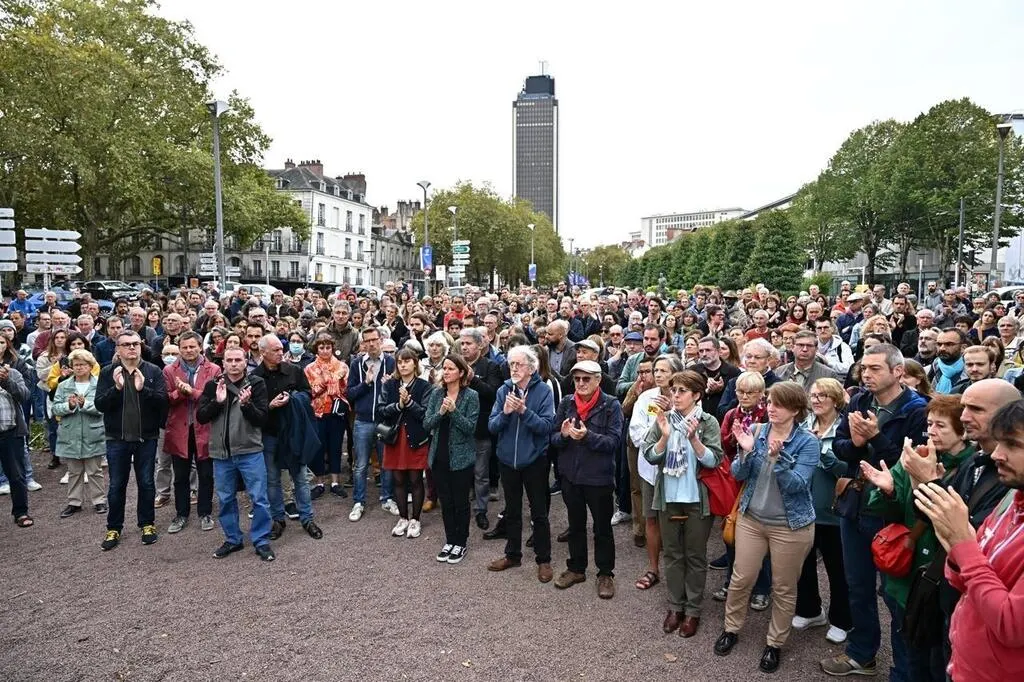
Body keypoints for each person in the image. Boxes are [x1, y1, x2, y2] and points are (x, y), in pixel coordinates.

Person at [821, 343, 927, 678]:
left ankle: (905, 671)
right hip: (855, 507)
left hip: (892, 515)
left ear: (897, 371)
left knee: (896, 597)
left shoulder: (917, 410)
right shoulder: (859, 400)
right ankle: (862, 654)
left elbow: (911, 467)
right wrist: (855, 443)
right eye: (864, 368)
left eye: (875, 368)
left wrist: (876, 437)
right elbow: (841, 450)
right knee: (858, 586)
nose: (866, 374)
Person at [860, 394, 976, 682]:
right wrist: (887, 490)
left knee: (939, 658)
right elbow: (892, 509)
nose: (932, 431)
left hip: (942, 581)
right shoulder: (916, 455)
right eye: (929, 424)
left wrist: (926, 483)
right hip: (906, 576)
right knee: (908, 647)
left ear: (962, 431)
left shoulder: (974, 468)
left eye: (941, 426)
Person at [913, 398, 1024, 682]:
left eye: (1013, 445)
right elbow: (960, 576)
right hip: (965, 664)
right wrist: (960, 548)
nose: (997, 454)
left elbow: (1011, 625)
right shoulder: (1012, 501)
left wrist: (963, 544)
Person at [714, 382, 819, 674]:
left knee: (783, 588)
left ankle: (774, 644)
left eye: (779, 404)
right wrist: (747, 452)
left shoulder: (807, 442)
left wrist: (777, 458)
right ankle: (731, 628)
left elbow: (799, 485)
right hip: (751, 519)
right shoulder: (758, 431)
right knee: (741, 578)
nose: (771, 407)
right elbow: (737, 473)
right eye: (770, 402)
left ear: (796, 410)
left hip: (791, 526)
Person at [641, 370, 723, 634]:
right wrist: (665, 436)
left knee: (696, 556)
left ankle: (693, 611)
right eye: (673, 390)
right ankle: (676, 606)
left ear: (697, 395)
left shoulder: (708, 421)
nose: (675, 395)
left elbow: (714, 460)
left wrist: (694, 440)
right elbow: (650, 455)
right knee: (674, 554)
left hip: (697, 500)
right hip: (669, 498)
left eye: (682, 391)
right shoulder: (663, 418)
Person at [550, 360, 623, 599]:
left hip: (599, 478)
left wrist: (587, 437)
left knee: (602, 528)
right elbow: (553, 440)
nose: (580, 384)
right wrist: (562, 435)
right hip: (571, 476)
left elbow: (613, 443)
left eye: (586, 379)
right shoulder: (566, 403)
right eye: (577, 379)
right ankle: (576, 568)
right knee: (575, 524)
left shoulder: (611, 405)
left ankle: (605, 573)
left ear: (598, 380)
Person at [196, 346, 276, 561]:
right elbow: (201, 417)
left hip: (249, 450)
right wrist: (217, 402)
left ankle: (261, 540)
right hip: (221, 453)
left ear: (245, 361)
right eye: (229, 360)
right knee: (225, 498)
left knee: (259, 497)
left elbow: (262, 419)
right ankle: (233, 539)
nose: (233, 364)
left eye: (237, 360)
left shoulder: (257, 384)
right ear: (223, 363)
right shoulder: (213, 385)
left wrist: (247, 405)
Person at [486, 345, 556, 583]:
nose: (513, 368)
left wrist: (524, 412)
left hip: (534, 460)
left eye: (519, 364)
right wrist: (505, 413)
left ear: (532, 368)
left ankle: (543, 559)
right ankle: (512, 554)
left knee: (539, 512)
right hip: (507, 460)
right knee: (512, 511)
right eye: (511, 364)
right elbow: (492, 426)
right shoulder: (503, 389)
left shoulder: (544, 391)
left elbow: (547, 427)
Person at [95, 330, 169, 551]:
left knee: (146, 482)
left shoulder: (153, 371)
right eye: (126, 344)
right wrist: (116, 389)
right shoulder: (108, 372)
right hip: (117, 437)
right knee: (117, 484)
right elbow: (100, 404)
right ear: (118, 349)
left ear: (141, 346)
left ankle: (147, 524)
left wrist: (142, 389)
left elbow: (162, 402)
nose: (131, 348)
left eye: (135, 344)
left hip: (146, 436)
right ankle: (114, 527)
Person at [793, 378, 853, 645]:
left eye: (823, 395)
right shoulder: (804, 426)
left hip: (833, 513)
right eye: (814, 395)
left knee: (838, 569)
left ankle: (842, 619)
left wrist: (823, 454)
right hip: (804, 509)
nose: (816, 400)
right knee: (802, 564)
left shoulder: (847, 428)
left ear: (836, 400)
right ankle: (810, 610)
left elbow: (849, 469)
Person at [251, 334, 322, 540]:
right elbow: (252, 408)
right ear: (263, 352)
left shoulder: (294, 370)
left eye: (281, 349)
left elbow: (308, 394)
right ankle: (278, 520)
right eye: (275, 350)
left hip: (293, 433)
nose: (281, 353)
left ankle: (307, 519)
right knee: (273, 481)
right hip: (270, 434)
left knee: (300, 477)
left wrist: (293, 399)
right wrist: (270, 406)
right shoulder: (255, 376)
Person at [628, 354, 685, 591]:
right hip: (650, 469)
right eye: (656, 370)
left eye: (663, 370)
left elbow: (691, 435)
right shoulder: (645, 398)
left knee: (675, 520)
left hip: (677, 470)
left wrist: (674, 411)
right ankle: (653, 568)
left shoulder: (688, 397)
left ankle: (679, 569)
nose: (658, 374)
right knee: (651, 519)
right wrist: (660, 424)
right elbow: (637, 435)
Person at [422, 354, 479, 564]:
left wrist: (453, 412)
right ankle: (450, 540)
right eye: (444, 368)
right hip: (439, 457)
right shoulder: (437, 394)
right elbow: (427, 424)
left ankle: (461, 542)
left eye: (450, 369)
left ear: (461, 372)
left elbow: (470, 429)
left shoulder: (471, 396)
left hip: (461, 459)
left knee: (460, 502)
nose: (446, 372)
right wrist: (441, 412)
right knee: (446, 502)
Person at [162, 331, 220, 534]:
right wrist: (179, 392)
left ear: (200, 347)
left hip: (205, 428)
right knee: (180, 476)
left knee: (206, 474)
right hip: (180, 429)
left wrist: (191, 392)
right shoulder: (169, 370)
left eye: (192, 346)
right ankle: (181, 513)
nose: (188, 350)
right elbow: (166, 399)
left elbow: (213, 399)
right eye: (184, 347)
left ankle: (205, 512)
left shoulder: (213, 369)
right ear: (179, 349)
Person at [378, 348, 433, 538]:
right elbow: (381, 410)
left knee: (416, 479)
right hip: (394, 438)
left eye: (407, 361)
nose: (402, 365)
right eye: (399, 362)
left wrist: (409, 403)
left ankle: (415, 520)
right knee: (398, 479)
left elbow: (426, 414)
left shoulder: (425, 386)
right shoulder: (390, 385)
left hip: (416, 438)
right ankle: (403, 517)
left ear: (415, 363)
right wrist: (398, 406)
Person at [347, 326, 397, 521]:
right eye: (367, 341)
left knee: (386, 462)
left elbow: (399, 391)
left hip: (385, 420)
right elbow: (350, 394)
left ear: (381, 340)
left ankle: (387, 498)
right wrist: (366, 383)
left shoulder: (392, 362)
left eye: (374, 339)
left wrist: (389, 385)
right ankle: (358, 502)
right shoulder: (356, 364)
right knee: (360, 464)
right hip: (363, 421)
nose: (371, 344)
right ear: (363, 343)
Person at [51, 348, 107, 518]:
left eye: (83, 364)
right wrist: (68, 406)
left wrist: (85, 404)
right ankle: (74, 502)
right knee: (74, 471)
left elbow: (103, 408)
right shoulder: (63, 385)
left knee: (94, 470)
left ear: (90, 366)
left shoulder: (99, 384)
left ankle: (99, 501)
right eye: (76, 365)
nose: (79, 368)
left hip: (93, 434)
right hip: (71, 434)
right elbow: (55, 408)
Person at [459, 327, 502, 530]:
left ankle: (481, 510)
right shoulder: (454, 364)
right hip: (458, 428)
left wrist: (472, 379)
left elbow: (492, 393)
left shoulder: (491, 366)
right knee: (461, 470)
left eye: (468, 343)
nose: (464, 347)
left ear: (480, 345)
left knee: (481, 472)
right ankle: (462, 506)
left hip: (480, 429)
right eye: (462, 343)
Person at [304, 335, 349, 499]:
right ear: (317, 349)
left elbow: (345, 389)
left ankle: (336, 482)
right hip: (317, 412)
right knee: (318, 448)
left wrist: (335, 384)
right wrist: (324, 383)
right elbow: (309, 391)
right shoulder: (309, 368)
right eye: (321, 347)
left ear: (332, 348)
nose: (324, 350)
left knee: (335, 446)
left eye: (328, 347)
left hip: (336, 411)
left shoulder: (342, 366)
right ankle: (319, 483)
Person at [0, 357, 33, 527]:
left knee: (17, 475)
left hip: (11, 432)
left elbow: (25, 396)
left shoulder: (12, 373)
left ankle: (21, 512)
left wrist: (6, 381)